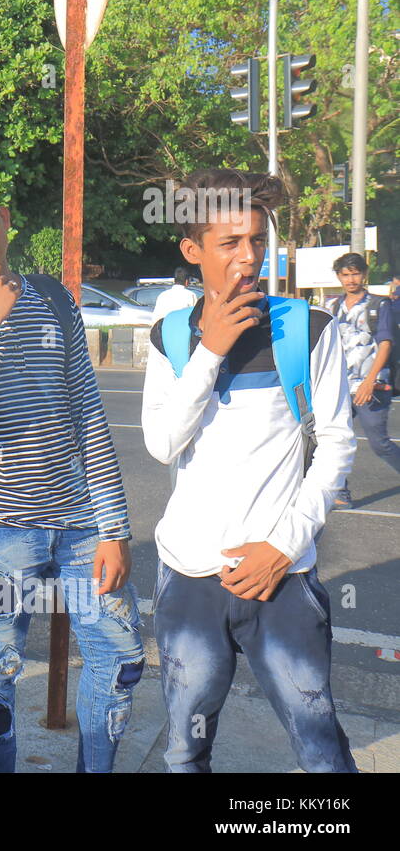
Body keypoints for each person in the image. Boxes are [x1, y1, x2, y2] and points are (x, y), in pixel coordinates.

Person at [0, 157, 143, 773]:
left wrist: (114, 527)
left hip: (79, 523)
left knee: (121, 662)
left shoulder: (56, 299)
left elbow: (88, 412)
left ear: (5, 219)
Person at [142, 168, 357, 773]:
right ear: (193, 252)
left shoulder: (307, 328)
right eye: (229, 243)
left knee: (320, 746)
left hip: (281, 579)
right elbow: (161, 443)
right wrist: (208, 350)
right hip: (189, 578)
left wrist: (283, 548)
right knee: (185, 749)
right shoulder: (170, 337)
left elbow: (337, 447)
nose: (249, 258)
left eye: (257, 240)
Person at [325, 252, 398, 508]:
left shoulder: (379, 305)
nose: (351, 279)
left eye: (355, 273)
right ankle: (341, 493)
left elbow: (386, 344)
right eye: (345, 274)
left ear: (364, 274)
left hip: (371, 386)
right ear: (338, 277)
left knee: (379, 444)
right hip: (340, 385)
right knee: (333, 439)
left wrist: (369, 381)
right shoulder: (332, 306)